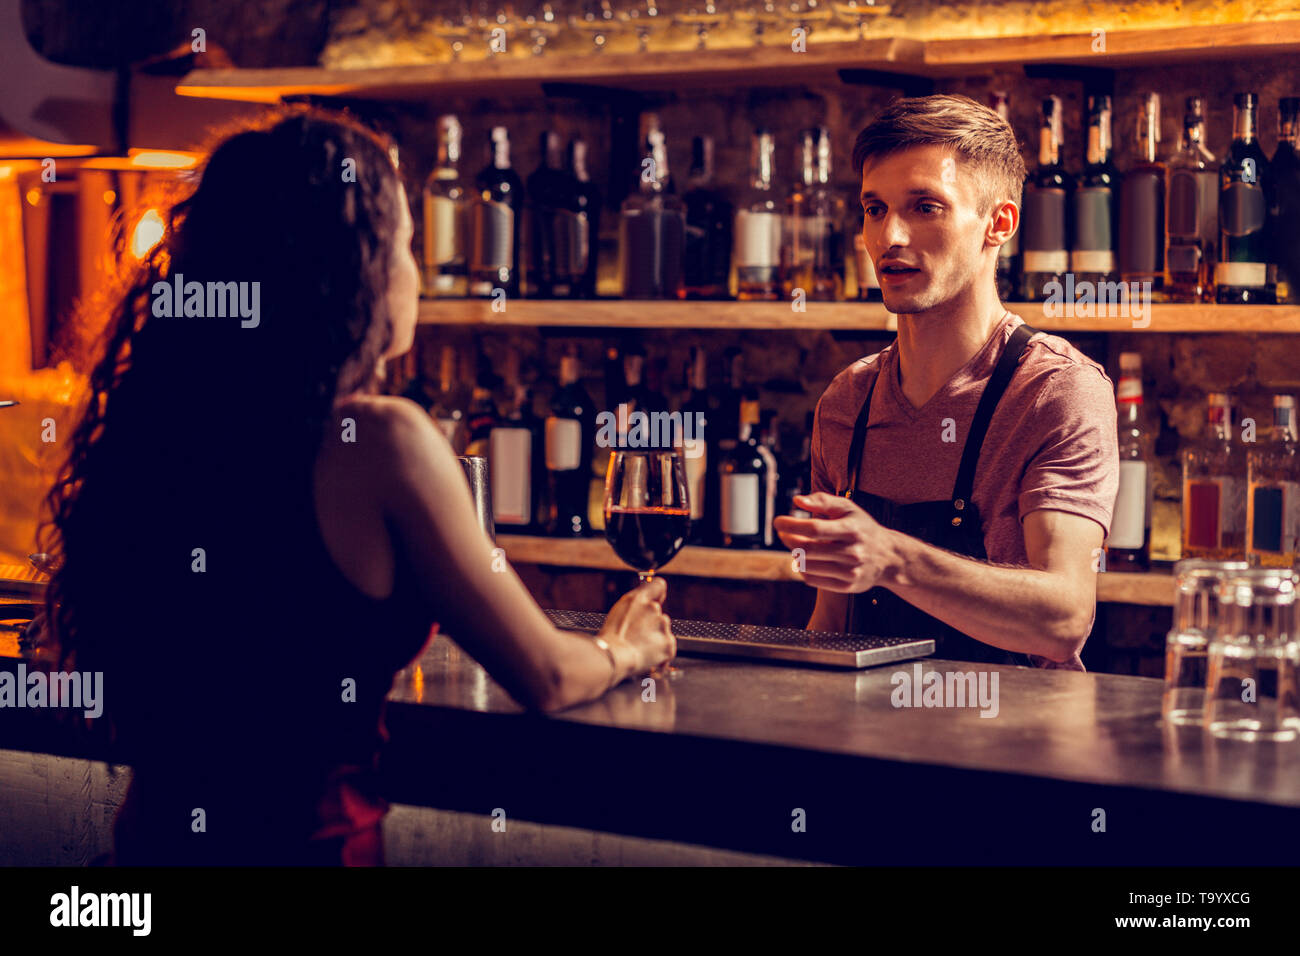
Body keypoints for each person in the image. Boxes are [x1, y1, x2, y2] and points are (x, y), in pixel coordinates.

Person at [41, 107, 674, 866]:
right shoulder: (381, 442)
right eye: (406, 243)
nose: (416, 269)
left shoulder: (170, 429)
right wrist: (623, 647)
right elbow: (544, 673)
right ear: (357, 267)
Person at [774, 94, 1119, 669]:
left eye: (925, 207)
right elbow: (832, 621)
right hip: (865, 740)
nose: (891, 237)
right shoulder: (847, 403)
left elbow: (1063, 618)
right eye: (875, 208)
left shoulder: (1055, 391)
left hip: (1008, 746)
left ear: (998, 224)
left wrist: (893, 559)